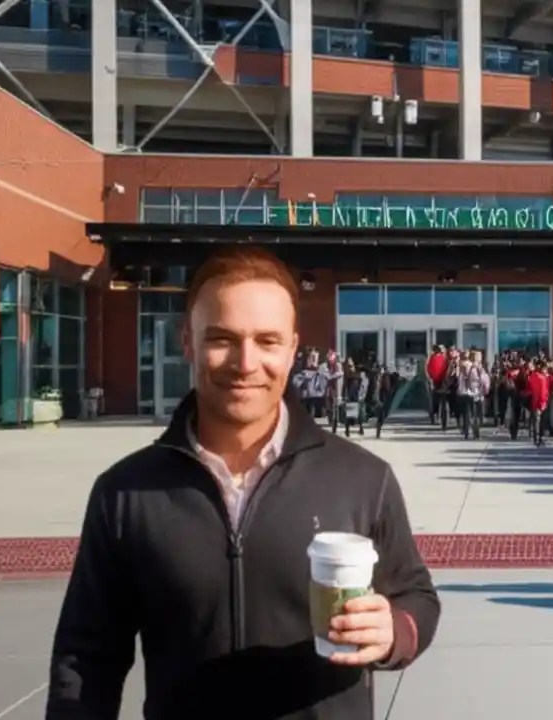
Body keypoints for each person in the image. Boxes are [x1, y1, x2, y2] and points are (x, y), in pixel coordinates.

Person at [47, 246, 440, 718]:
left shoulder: (362, 478)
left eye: (267, 341)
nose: (245, 362)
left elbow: (417, 595)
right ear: (187, 342)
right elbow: (87, 658)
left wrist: (396, 630)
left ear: (294, 349)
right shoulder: (126, 493)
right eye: (222, 339)